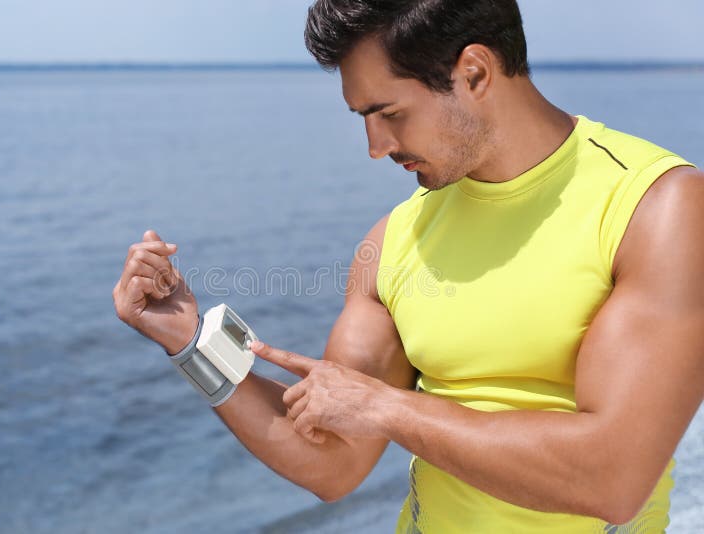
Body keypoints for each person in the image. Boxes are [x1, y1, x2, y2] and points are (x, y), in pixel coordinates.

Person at [113, 0, 704, 531]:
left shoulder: (655, 208)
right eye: (362, 117)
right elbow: (333, 463)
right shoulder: (393, 240)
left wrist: (384, 407)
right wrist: (189, 340)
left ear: (474, 72)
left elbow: (612, 478)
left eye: (389, 112)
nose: (375, 146)